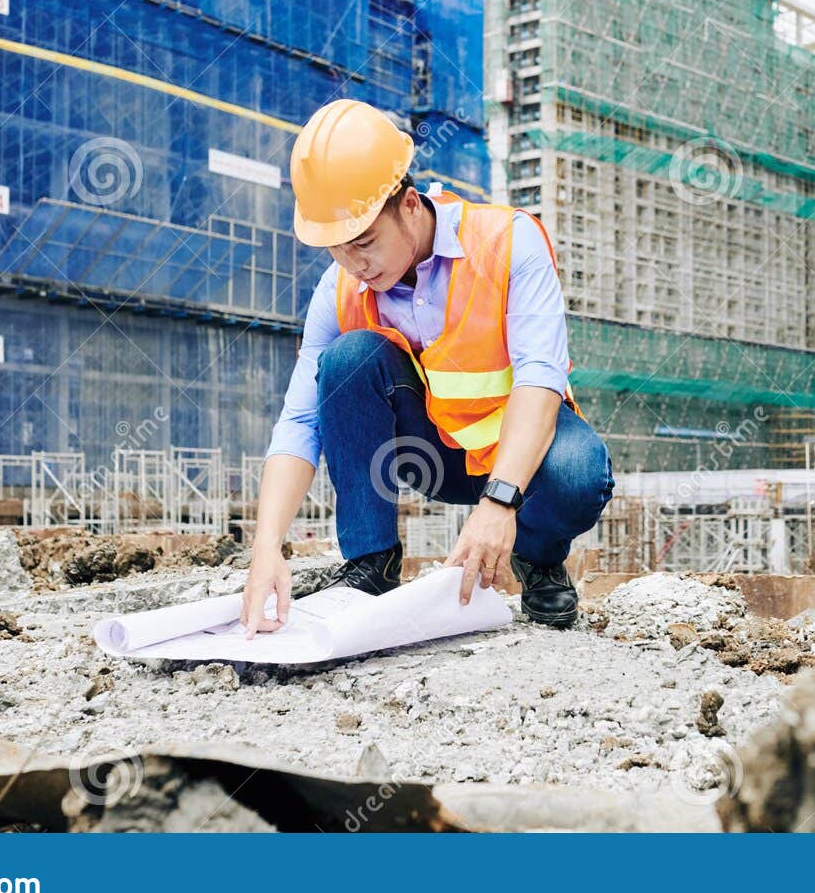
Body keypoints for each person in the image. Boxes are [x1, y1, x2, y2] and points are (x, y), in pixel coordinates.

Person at [241, 99, 614, 635]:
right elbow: (299, 420)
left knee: (578, 472)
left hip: (521, 461)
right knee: (347, 359)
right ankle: (370, 567)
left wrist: (501, 501)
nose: (355, 265)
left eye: (365, 243)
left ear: (410, 205)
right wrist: (266, 547)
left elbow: (540, 377)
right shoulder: (341, 287)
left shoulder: (508, 242)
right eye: (337, 251)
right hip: (432, 457)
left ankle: (537, 558)